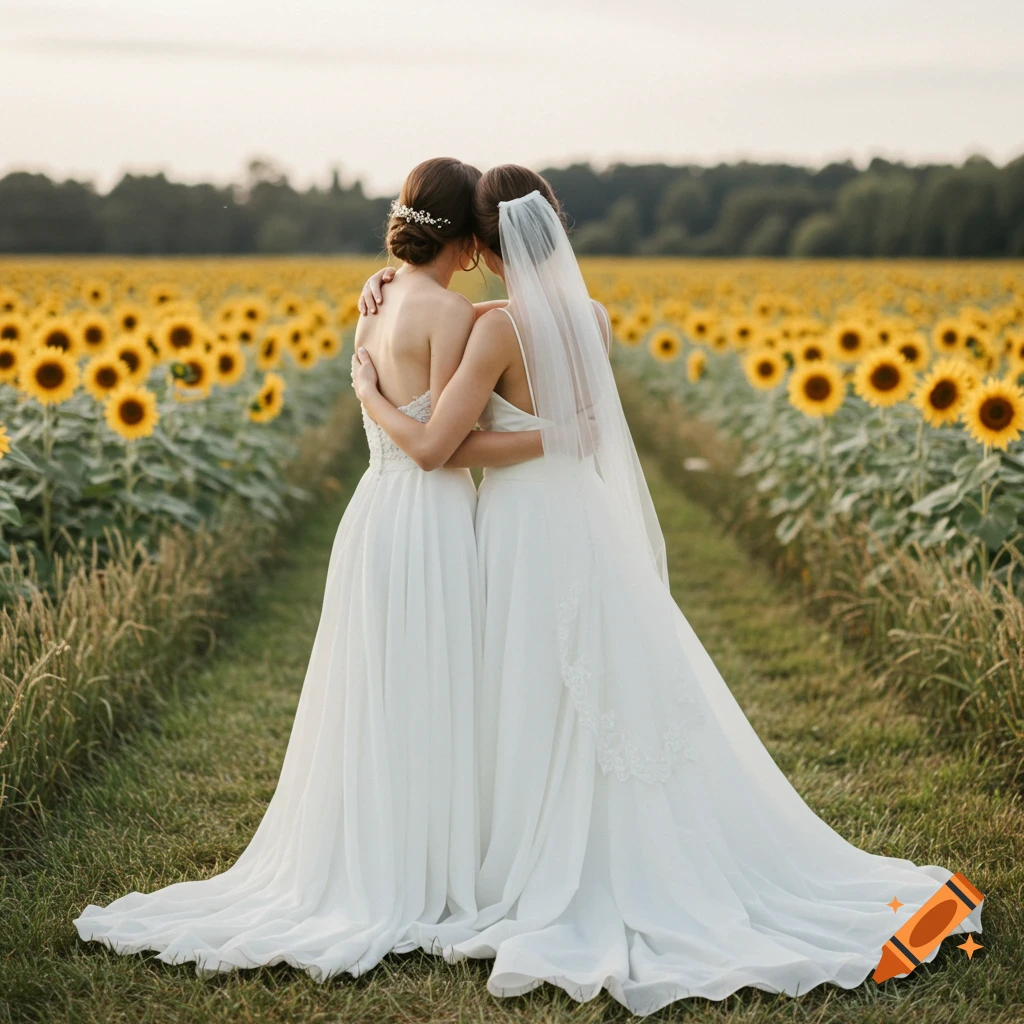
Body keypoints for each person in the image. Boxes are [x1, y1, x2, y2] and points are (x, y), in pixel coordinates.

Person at [352, 165, 984, 1015]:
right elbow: (569, 429)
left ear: (488, 248)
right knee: (601, 680)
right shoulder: (595, 320)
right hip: (582, 522)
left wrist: (375, 370)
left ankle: (531, 858)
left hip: (521, 528)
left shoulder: (495, 330)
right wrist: (557, 436)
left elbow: (442, 444)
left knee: (534, 681)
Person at [74, 158, 542, 980]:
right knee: (431, 685)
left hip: (373, 514)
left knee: (378, 691)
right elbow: (442, 451)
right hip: (429, 518)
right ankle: (426, 873)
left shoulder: (380, 299)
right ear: (464, 240)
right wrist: (561, 433)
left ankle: (379, 853)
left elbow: (406, 405)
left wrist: (371, 383)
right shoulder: (453, 316)